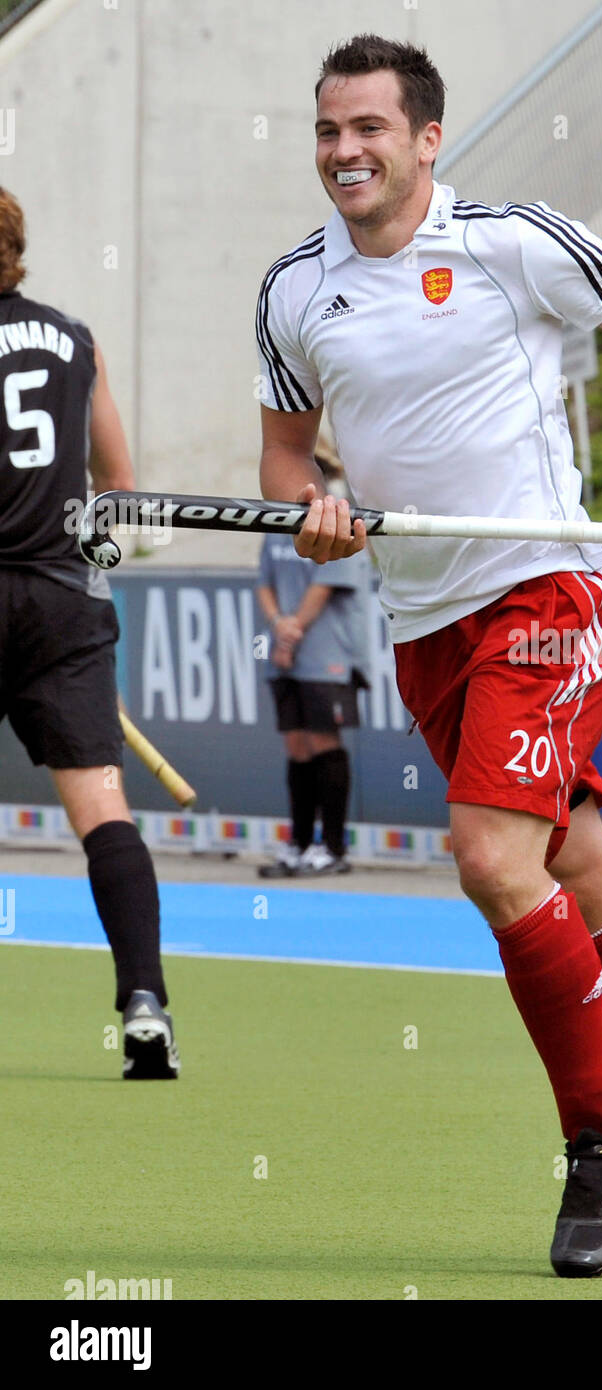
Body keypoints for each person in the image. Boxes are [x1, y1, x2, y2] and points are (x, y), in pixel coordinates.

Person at [254, 34, 602, 1277]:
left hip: (548, 591)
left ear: (425, 139)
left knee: (490, 855)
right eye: (329, 131)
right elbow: (283, 458)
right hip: (425, 622)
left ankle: (601, 1143)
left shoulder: (509, 241)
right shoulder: (290, 289)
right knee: (577, 869)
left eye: (369, 129)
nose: (345, 152)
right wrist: (310, 506)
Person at [0, 186, 178, 1079]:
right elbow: (121, 487)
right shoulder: (76, 338)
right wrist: (82, 578)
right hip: (64, 603)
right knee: (102, 809)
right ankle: (144, 1001)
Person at [256, 527, 371, 877]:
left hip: (328, 656)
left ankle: (333, 848)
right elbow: (264, 584)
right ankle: (300, 843)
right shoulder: (275, 529)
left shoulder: (339, 525)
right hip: (284, 655)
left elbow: (323, 587)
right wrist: (278, 624)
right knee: (296, 744)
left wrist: (289, 635)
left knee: (323, 741)